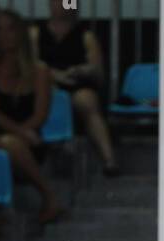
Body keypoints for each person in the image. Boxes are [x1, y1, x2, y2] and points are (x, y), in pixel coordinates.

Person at [0, 7, 61, 224]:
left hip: (31, 141)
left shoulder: (40, 71)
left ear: (20, 32)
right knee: (7, 142)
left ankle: (49, 196)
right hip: (0, 135)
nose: (4, 35)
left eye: (10, 29)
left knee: (11, 143)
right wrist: (20, 133)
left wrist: (21, 135)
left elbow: (40, 116)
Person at [34, 0, 117, 174]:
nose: (63, 5)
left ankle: (109, 160)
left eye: (69, 1)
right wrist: (52, 75)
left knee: (87, 101)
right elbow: (28, 65)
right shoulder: (35, 33)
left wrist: (83, 70)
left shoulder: (86, 36)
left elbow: (99, 74)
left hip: (76, 84)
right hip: (44, 85)